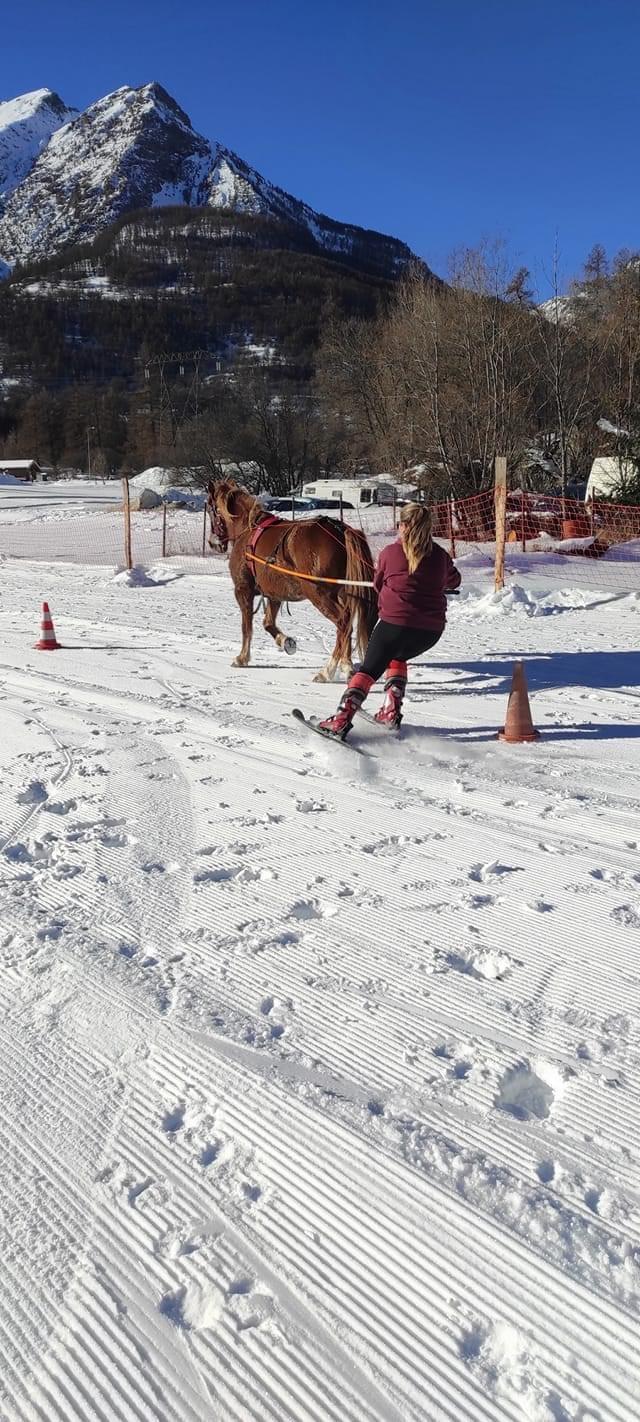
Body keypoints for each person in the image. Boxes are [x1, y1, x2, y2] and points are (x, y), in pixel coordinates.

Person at [318, 502, 461, 738]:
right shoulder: (440, 556)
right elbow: (454, 581)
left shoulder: (390, 553)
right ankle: (391, 710)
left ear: (403, 526)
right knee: (398, 656)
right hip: (430, 632)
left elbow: (377, 584)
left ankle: (341, 719)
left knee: (368, 670)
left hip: (394, 625)